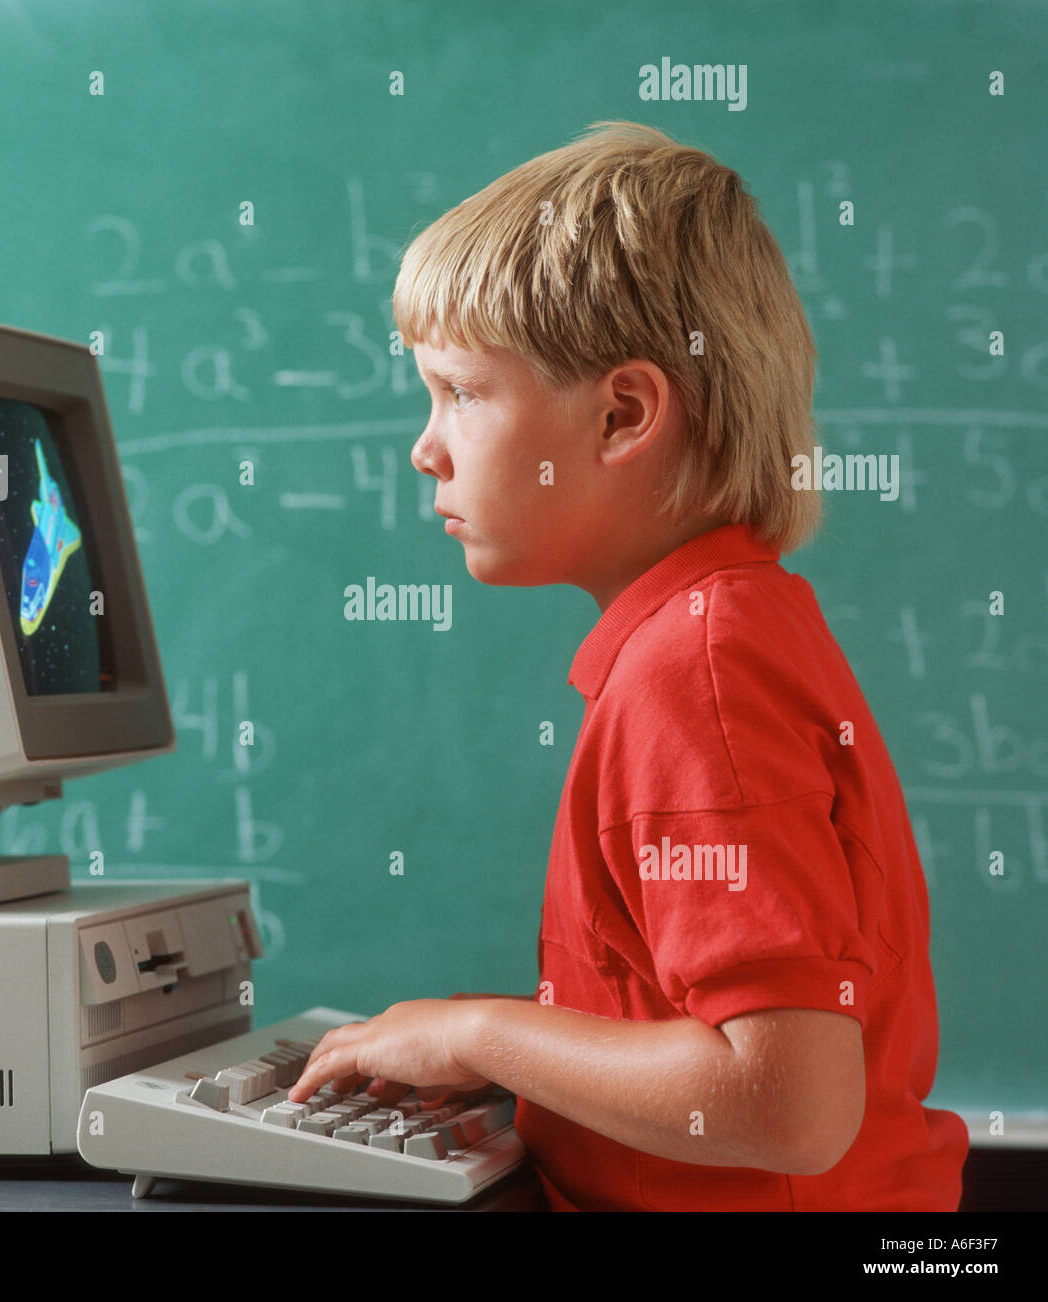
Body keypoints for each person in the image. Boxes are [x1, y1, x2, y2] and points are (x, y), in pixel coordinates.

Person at [288, 121, 968, 1211]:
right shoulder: (724, 632)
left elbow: (785, 1104)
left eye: (460, 393)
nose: (427, 445)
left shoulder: (694, 678)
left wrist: (481, 1031)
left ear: (621, 415)